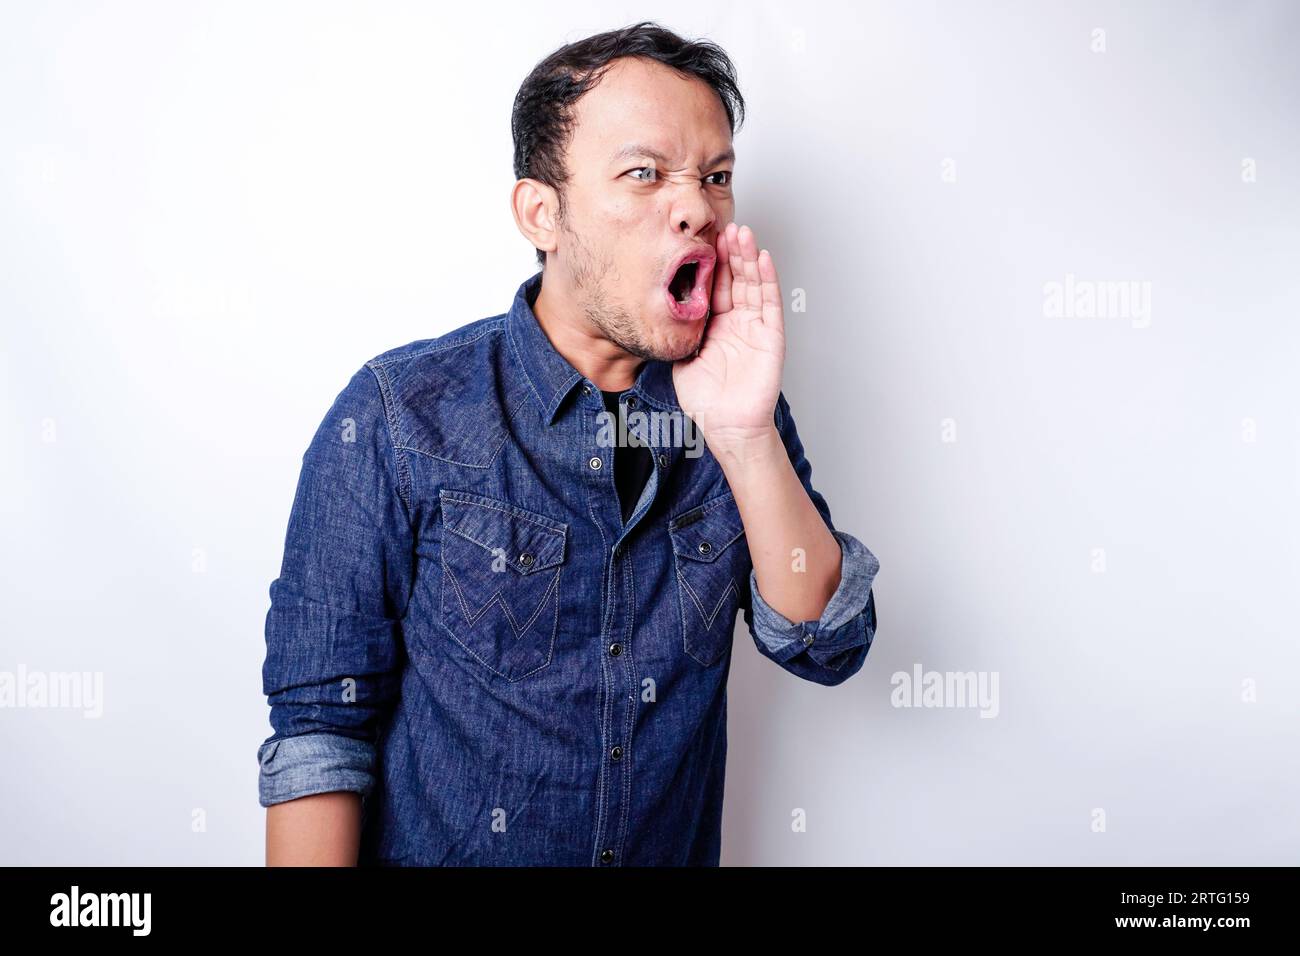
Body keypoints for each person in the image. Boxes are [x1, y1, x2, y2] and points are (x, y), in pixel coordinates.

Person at [258, 20, 880, 866]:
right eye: (644, 173)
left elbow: (827, 645)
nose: (696, 205)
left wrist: (745, 436)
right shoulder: (399, 416)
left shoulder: (741, 413)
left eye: (715, 176)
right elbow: (318, 733)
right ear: (541, 212)